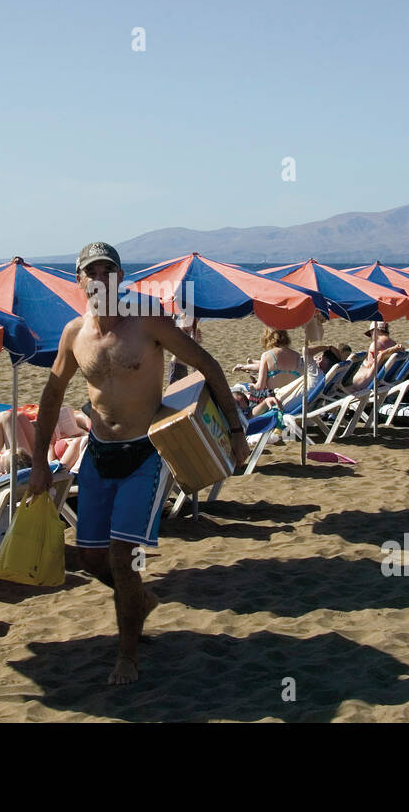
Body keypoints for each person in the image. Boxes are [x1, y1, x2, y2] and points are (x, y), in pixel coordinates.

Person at [27, 242, 248, 686]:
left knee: (123, 557)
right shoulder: (74, 334)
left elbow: (206, 364)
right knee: (91, 559)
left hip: (145, 451)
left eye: (108, 270)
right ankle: (140, 601)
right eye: (91, 271)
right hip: (98, 453)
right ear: (80, 281)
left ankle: (126, 655)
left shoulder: (147, 322)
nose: (100, 278)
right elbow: (51, 397)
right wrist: (38, 464)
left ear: (120, 278)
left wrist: (236, 431)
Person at [231, 327, 303, 413]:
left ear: (268, 338)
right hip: (293, 401)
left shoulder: (267, 355)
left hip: (274, 401)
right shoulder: (297, 356)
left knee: (244, 393)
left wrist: (253, 386)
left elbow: (260, 387)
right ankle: (249, 364)